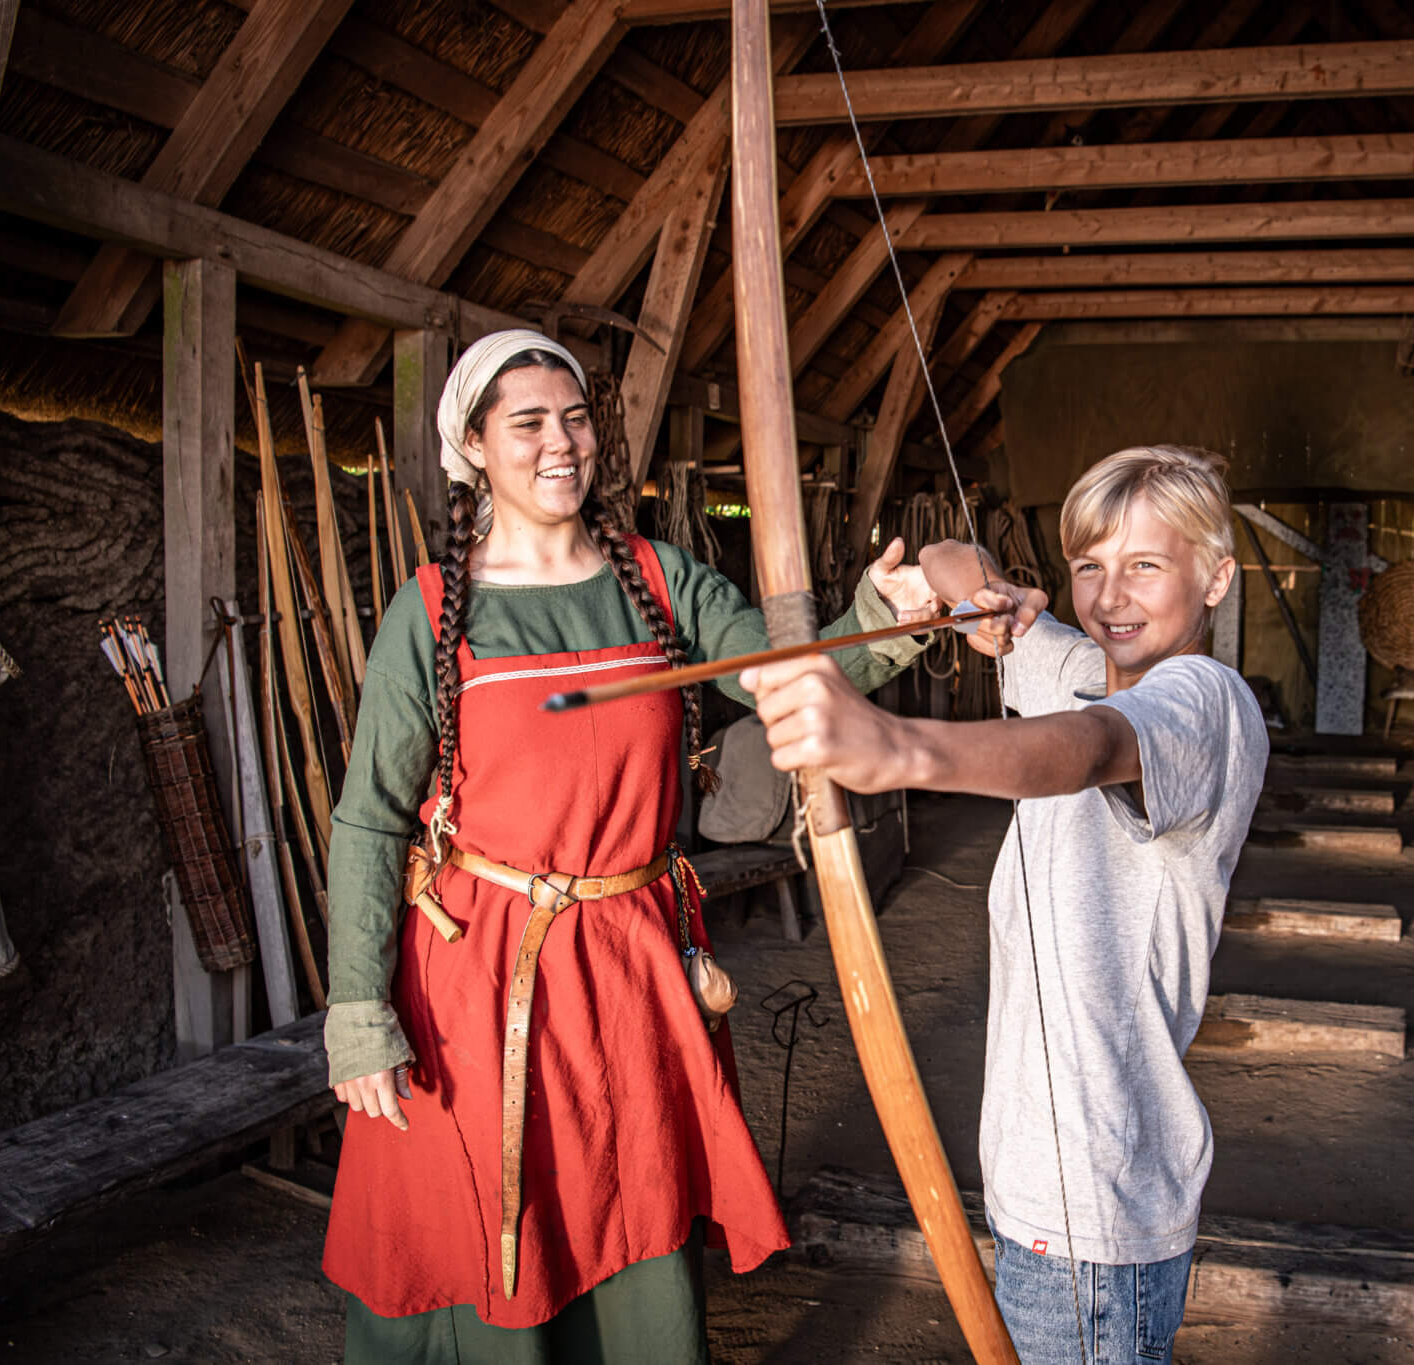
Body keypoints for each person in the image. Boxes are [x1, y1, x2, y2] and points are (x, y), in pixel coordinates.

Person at [321, 329, 954, 1361]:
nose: (559, 443)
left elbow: (786, 678)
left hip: (628, 965)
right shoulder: (433, 611)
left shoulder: (660, 582)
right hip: (481, 978)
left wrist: (884, 619)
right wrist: (357, 1007)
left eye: (574, 420)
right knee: (485, 1219)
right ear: (474, 447)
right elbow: (369, 818)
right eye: (526, 423)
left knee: (630, 1199)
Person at [745, 445, 1268, 1363]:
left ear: (1216, 577)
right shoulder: (1067, 663)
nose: (1112, 595)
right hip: (1039, 1180)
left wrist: (899, 747)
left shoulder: (1204, 702)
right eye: (1090, 566)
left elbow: (1088, 745)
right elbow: (946, 553)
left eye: (1147, 565)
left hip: (1100, 1209)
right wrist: (988, 598)